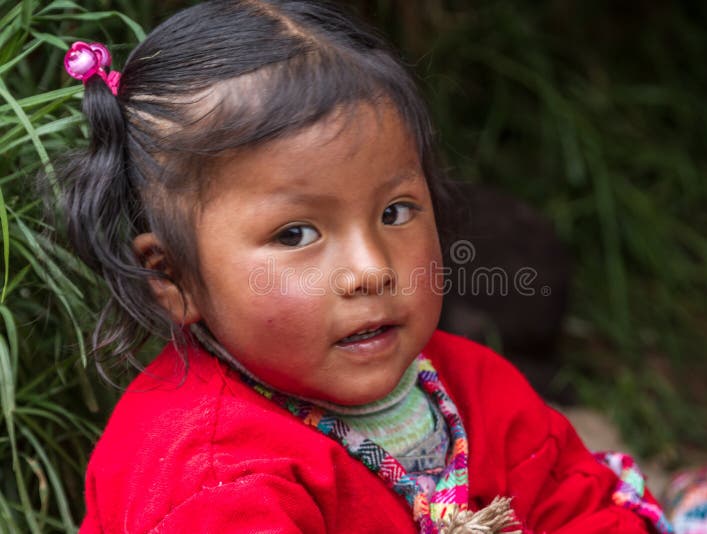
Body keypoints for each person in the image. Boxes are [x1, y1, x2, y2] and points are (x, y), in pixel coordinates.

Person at [58, 1, 674, 532]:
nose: (370, 269)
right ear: (174, 278)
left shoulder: (473, 387)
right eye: (296, 233)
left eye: (396, 211)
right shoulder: (211, 480)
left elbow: (581, 506)